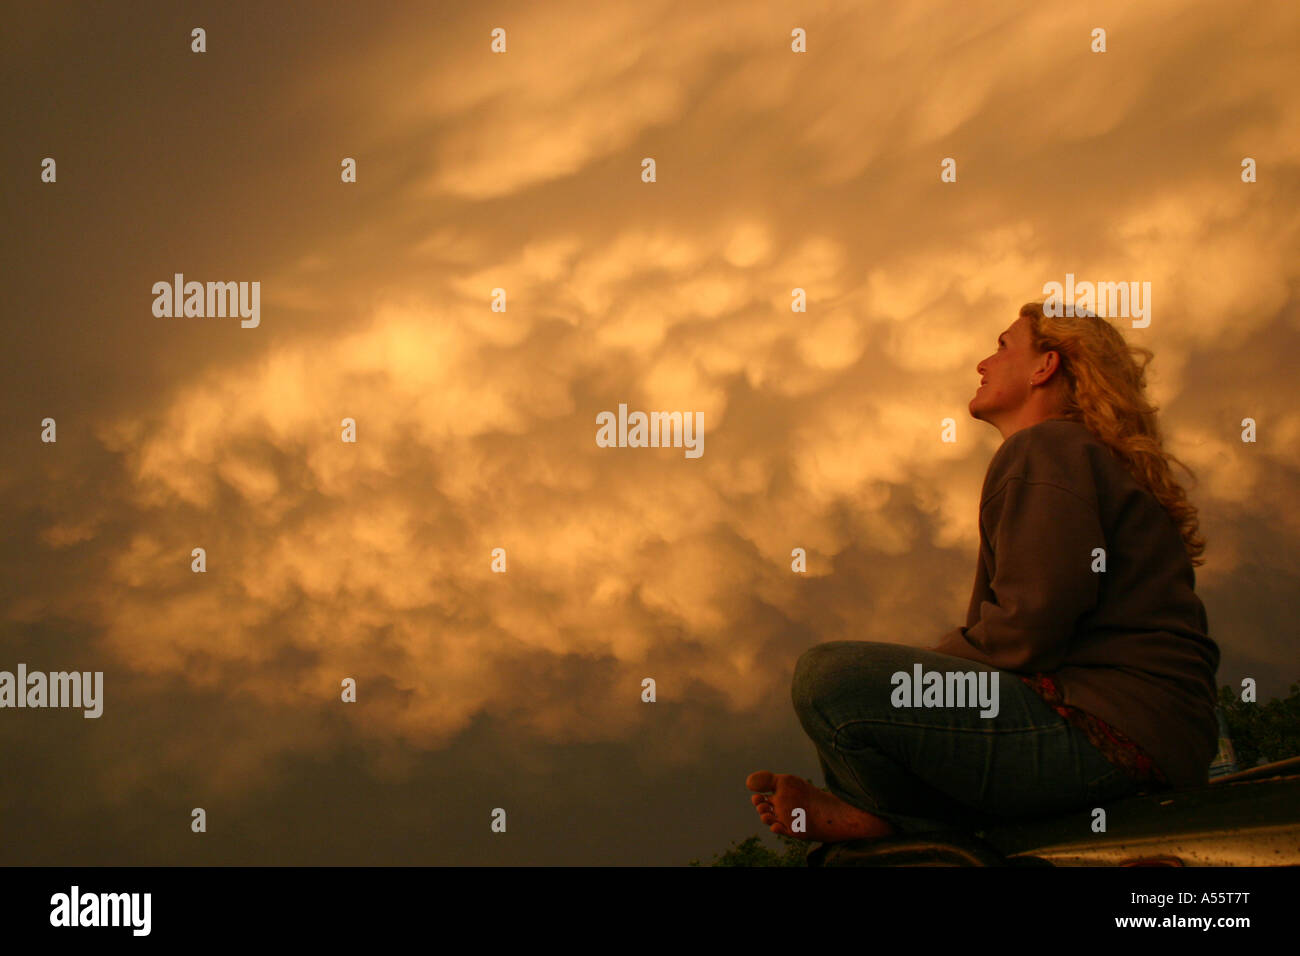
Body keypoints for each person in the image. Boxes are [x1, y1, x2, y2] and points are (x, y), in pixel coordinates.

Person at [746, 301, 1221, 843]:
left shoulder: (1048, 446)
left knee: (832, 678)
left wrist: (921, 674)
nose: (983, 363)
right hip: (1162, 741)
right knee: (888, 687)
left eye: (1001, 346)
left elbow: (1030, 625)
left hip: (1106, 735)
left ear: (1045, 367)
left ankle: (883, 819)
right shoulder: (1079, 454)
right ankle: (883, 813)